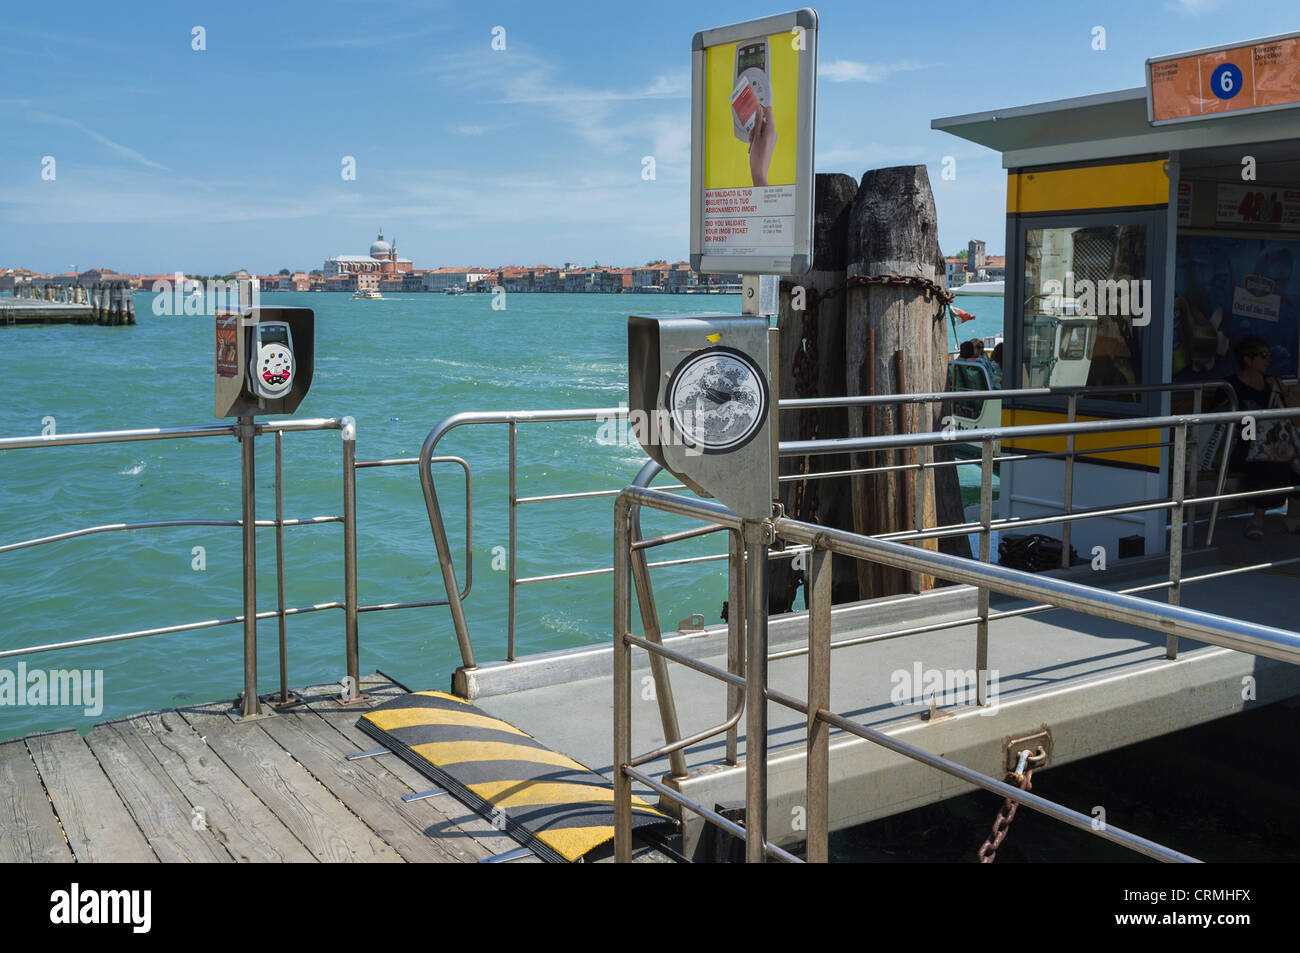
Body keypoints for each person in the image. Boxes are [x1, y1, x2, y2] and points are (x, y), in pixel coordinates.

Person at [1226, 335, 1300, 538]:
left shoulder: (1271, 384)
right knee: (1270, 459)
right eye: (1263, 355)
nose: (1269, 360)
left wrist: (1282, 389)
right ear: (1247, 360)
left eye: (1269, 355)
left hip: (1271, 443)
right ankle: (1256, 518)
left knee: (1293, 457)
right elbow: (1222, 424)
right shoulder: (1231, 387)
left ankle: (1293, 517)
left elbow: (1294, 413)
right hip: (1241, 444)